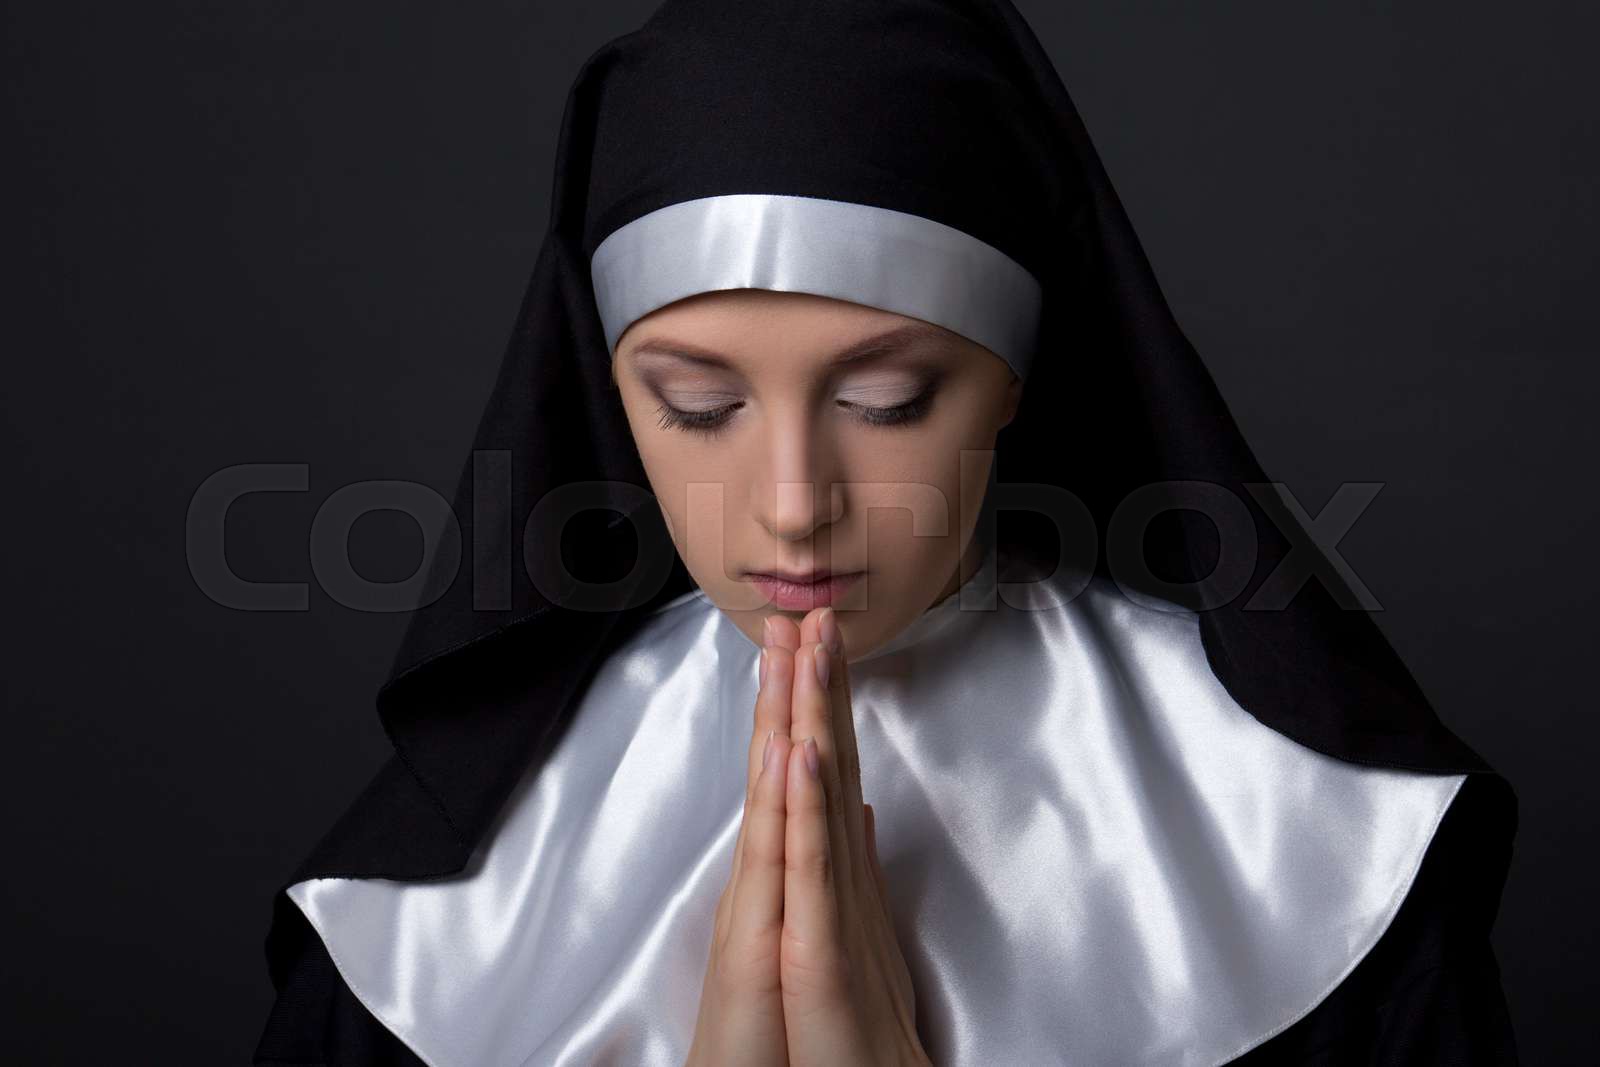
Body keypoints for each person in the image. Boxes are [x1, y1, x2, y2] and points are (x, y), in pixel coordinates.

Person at [253, 1, 1519, 1064]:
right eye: (697, 405)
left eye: (887, 400)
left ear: (1013, 375)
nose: (795, 501)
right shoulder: (420, 929)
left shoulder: (1306, 851)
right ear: (604, 391)